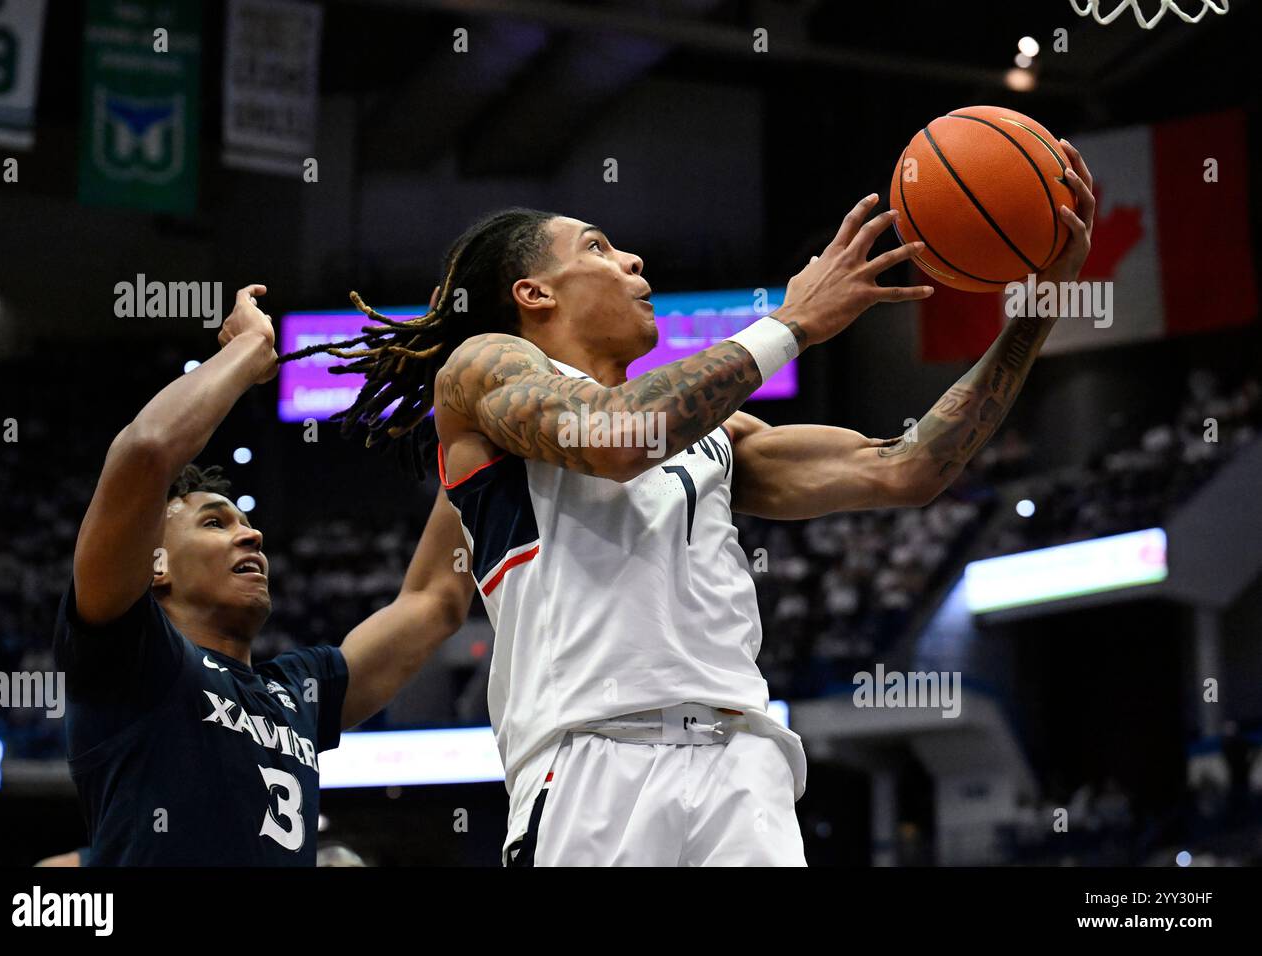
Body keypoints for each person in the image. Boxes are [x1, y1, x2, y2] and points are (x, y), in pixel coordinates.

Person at [286, 142, 1095, 866]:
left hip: (743, 761)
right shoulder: (485, 366)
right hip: (593, 762)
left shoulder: (716, 432)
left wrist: (1032, 316)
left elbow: (905, 469)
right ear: (532, 291)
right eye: (599, 248)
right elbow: (614, 439)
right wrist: (789, 326)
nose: (634, 260)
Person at [56, 285, 475, 865]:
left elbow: (438, 600)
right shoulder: (129, 654)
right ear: (155, 566)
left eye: (247, 523)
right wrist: (248, 350)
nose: (250, 535)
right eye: (214, 523)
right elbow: (147, 451)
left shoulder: (297, 690)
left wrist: (472, 420)